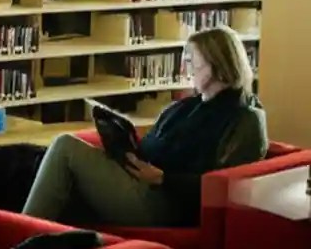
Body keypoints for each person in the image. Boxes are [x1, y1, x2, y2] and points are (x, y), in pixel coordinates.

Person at [21, 26, 267, 228]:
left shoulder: (244, 118)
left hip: (166, 203)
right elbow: (154, 145)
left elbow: (228, 185)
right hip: (143, 182)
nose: (187, 70)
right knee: (31, 159)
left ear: (220, 66)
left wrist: (164, 179)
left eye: (195, 63)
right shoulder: (187, 106)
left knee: (65, 148)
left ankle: (22, 239)